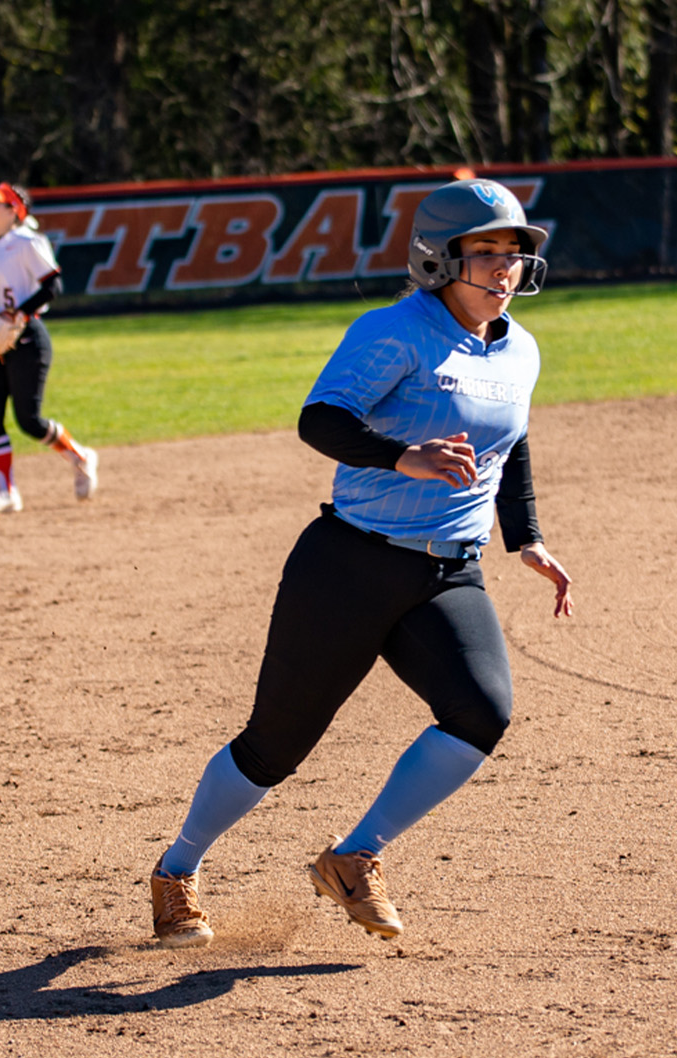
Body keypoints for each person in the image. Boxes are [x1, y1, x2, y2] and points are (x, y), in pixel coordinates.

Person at [146, 178, 575, 948]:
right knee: (275, 745)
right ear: (439, 261)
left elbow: (511, 444)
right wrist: (400, 456)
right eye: (486, 254)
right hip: (348, 566)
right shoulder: (394, 332)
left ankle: (355, 856)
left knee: (482, 713)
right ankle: (178, 871)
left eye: (514, 254)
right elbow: (321, 419)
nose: (506, 270)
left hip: (447, 573)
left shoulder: (521, 348)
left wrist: (528, 537)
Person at [0, 181, 98, 514]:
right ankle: (6, 492)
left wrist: (20, 313)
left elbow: (53, 285)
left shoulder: (28, 243)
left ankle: (80, 457)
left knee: (29, 420)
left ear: (13, 211)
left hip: (26, 339)